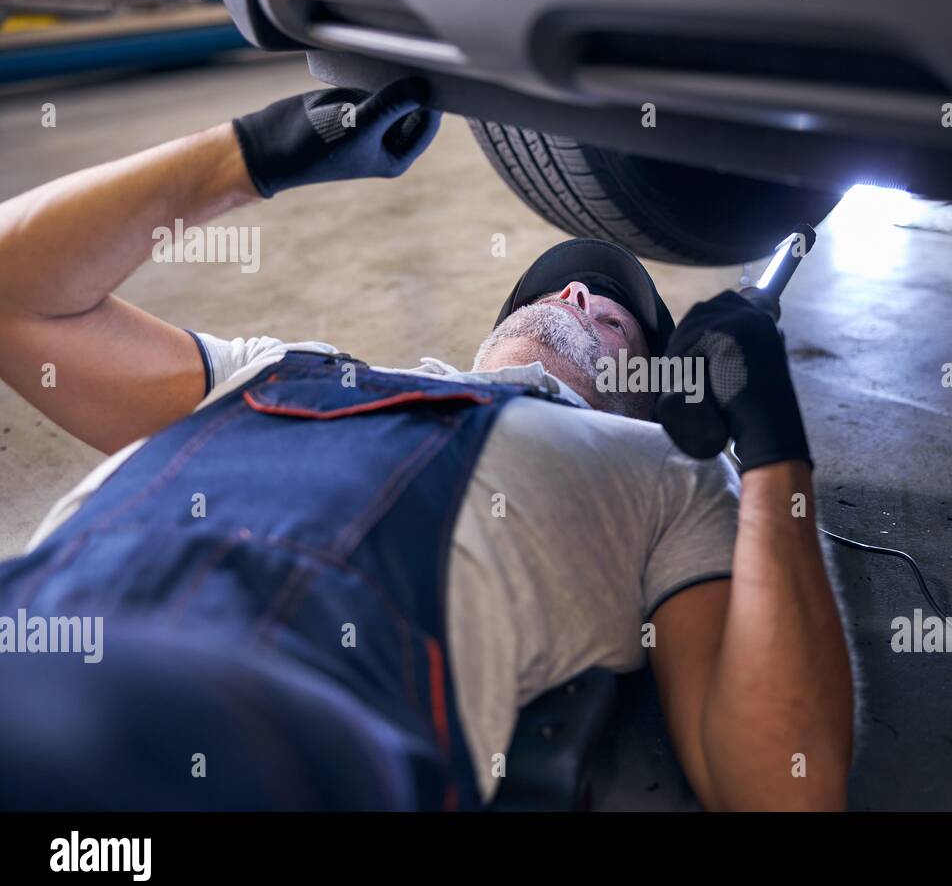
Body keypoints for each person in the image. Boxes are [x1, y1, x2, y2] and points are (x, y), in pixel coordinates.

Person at [0, 79, 853, 810]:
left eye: (618, 317)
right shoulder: (275, 367)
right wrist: (248, 157)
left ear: (642, 403)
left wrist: (774, 448)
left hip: (252, 733)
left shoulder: (666, 475)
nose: (578, 291)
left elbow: (781, 784)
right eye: (565, 284)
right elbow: (15, 292)